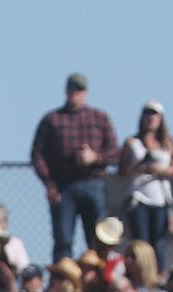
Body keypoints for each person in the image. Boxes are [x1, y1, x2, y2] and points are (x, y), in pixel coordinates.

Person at [31, 72, 120, 261]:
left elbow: (114, 152)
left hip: (93, 183)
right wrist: (49, 183)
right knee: (63, 239)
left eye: (79, 90)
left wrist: (95, 157)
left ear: (85, 93)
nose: (75, 93)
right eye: (71, 89)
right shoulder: (52, 119)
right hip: (63, 186)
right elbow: (37, 154)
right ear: (66, 91)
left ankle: (97, 279)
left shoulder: (100, 118)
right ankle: (64, 278)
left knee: (98, 237)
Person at [120, 102, 173, 269]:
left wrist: (160, 169)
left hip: (161, 198)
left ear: (161, 118)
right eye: (147, 114)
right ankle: (141, 277)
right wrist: (140, 167)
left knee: (159, 243)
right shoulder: (133, 142)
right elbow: (122, 170)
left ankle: (157, 279)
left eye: (154, 114)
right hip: (138, 197)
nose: (151, 118)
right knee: (141, 242)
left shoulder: (169, 142)